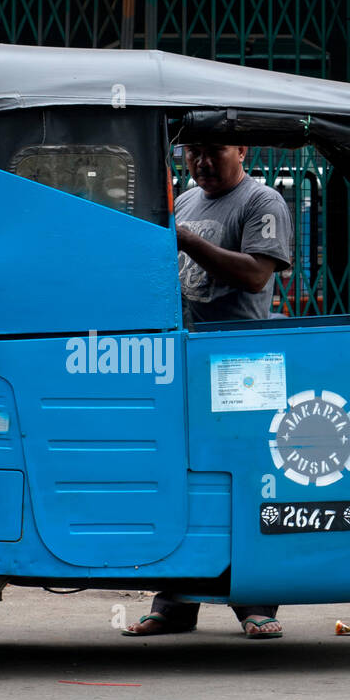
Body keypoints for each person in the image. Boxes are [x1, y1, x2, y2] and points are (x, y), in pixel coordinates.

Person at [124, 142, 293, 639]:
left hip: (240, 366)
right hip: (184, 365)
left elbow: (257, 274)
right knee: (181, 479)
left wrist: (183, 240)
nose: (200, 163)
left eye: (213, 152)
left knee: (245, 482)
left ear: (241, 149)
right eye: (191, 153)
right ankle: (174, 602)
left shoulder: (262, 202)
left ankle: (256, 602)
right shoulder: (186, 205)